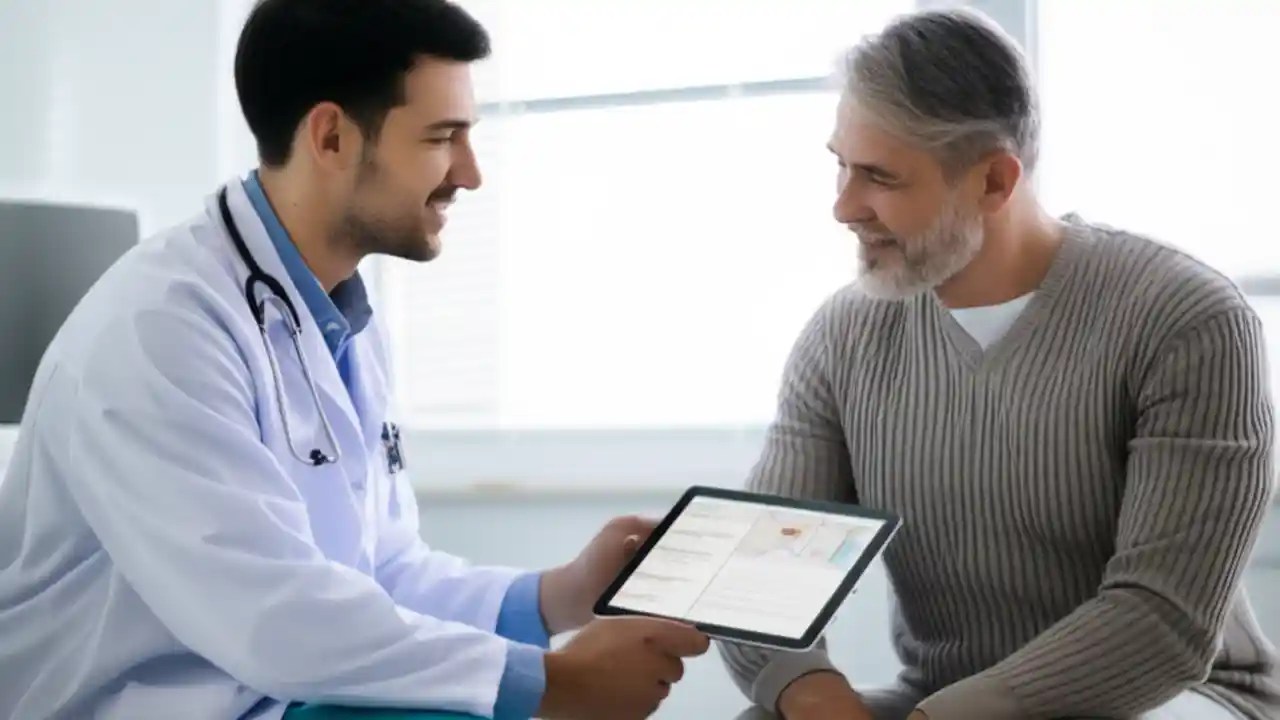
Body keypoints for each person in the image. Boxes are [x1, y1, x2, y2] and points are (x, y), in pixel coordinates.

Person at [0, 1, 708, 719]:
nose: (469, 173)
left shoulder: (339, 316)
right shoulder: (160, 330)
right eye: (443, 138)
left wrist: (560, 594)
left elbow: (377, 572)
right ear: (333, 136)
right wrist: (552, 683)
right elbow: (270, 616)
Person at [719, 8, 1279, 720]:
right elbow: (757, 584)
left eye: (880, 178)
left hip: (1175, 698)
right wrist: (816, 699)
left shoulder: (1186, 320)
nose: (843, 207)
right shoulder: (841, 337)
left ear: (994, 183)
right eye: (840, 165)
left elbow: (1162, 621)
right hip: (939, 701)